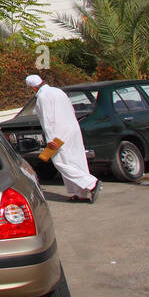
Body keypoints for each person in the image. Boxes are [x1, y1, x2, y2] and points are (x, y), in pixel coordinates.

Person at [25, 74, 101, 202]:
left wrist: (50, 139)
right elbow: (71, 110)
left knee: (60, 163)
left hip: (57, 134)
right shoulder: (58, 91)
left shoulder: (43, 97)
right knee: (76, 161)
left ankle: (91, 183)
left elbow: (47, 120)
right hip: (72, 129)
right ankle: (80, 194)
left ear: (32, 88)